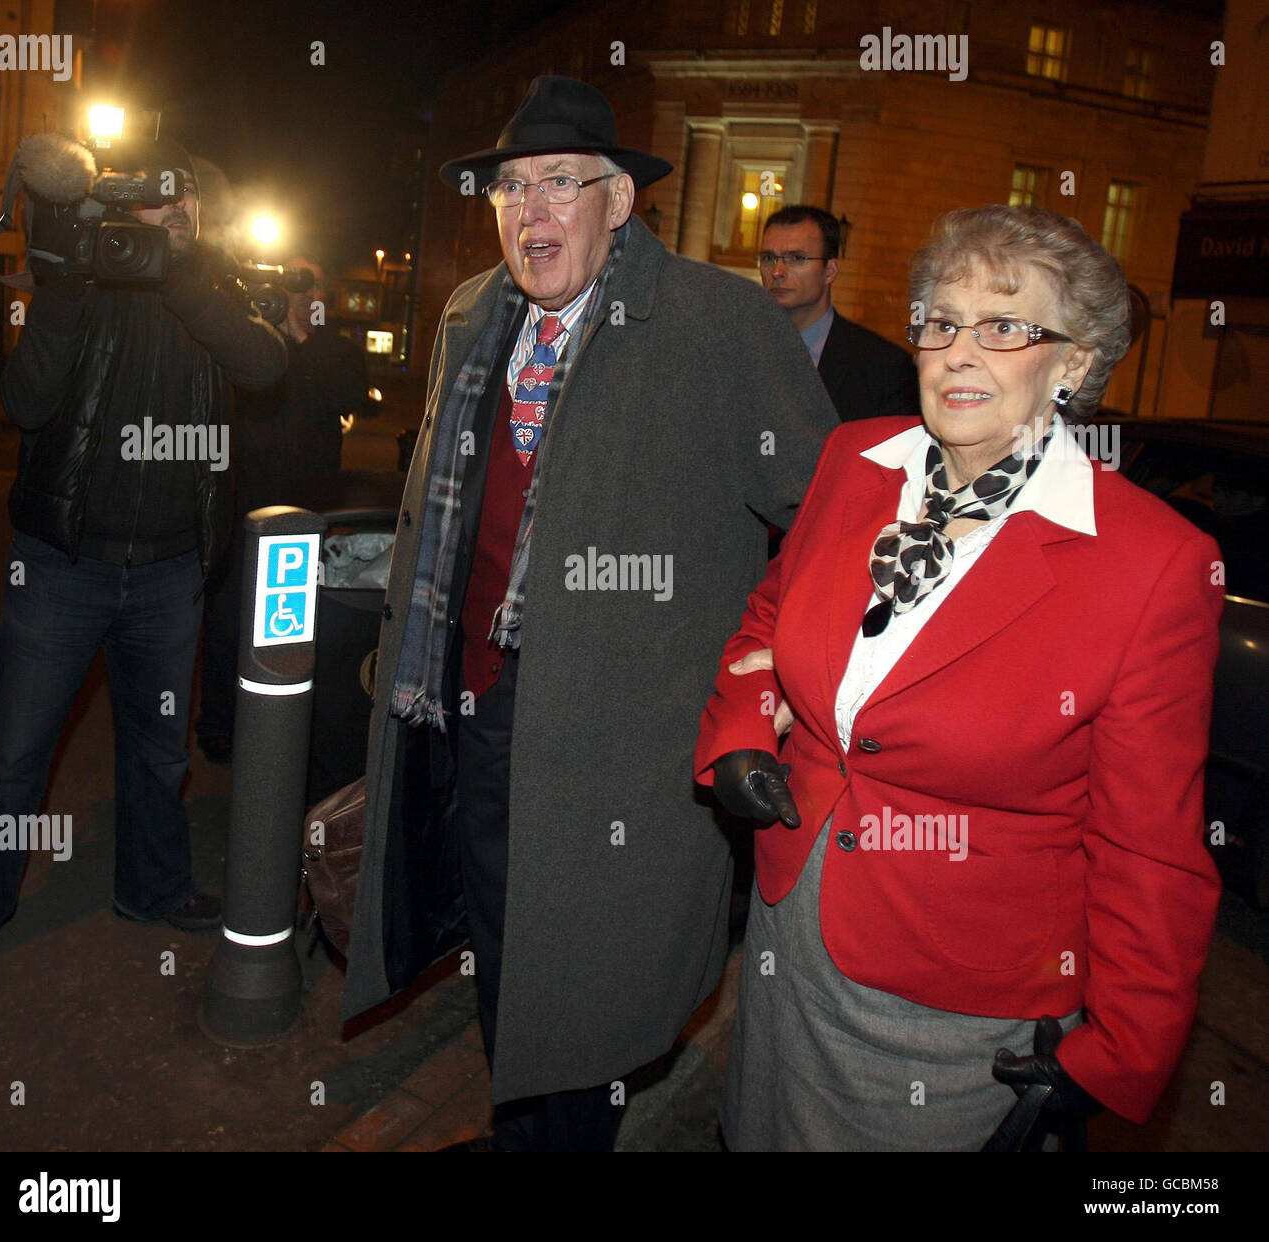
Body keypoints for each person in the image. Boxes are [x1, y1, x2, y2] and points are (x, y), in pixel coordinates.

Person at [340, 76, 837, 1151]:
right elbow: (445, 507)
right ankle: (523, 1125)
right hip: (470, 704)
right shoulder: (474, 310)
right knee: (500, 943)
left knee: (590, 981)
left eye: (560, 184)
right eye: (511, 187)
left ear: (619, 202)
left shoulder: (717, 321)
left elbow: (828, 521)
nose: (531, 212)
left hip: (623, 744)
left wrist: (760, 680)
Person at [696, 204, 1223, 1151]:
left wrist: (1120, 1051)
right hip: (791, 932)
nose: (960, 352)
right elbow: (768, 621)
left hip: (953, 1007)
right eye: (940, 322)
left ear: (1073, 361)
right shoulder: (857, 460)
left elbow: (1151, 851)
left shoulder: (1152, 563)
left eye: (1005, 327)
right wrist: (738, 733)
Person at [0, 138, 287, 969]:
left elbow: (263, 362)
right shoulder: (82, 279)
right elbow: (28, 403)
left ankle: (151, 890)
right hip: (60, 568)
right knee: (14, 756)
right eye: (156, 193)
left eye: (187, 196)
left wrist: (178, 277)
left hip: (169, 574)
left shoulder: (211, 293)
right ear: (119, 203)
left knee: (157, 751)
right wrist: (68, 285)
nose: (176, 207)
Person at [196, 254, 368, 761]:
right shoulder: (249, 341)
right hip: (241, 510)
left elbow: (346, 393)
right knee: (230, 622)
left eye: (308, 284)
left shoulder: (336, 349)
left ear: (322, 294)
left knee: (296, 627)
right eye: (289, 283)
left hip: (310, 514)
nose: (298, 292)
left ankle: (292, 727)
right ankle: (222, 727)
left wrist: (300, 332)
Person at [760, 204, 919, 422]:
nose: (777, 271)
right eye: (769, 258)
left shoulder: (885, 368)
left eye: (796, 258)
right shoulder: (735, 350)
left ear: (830, 271)